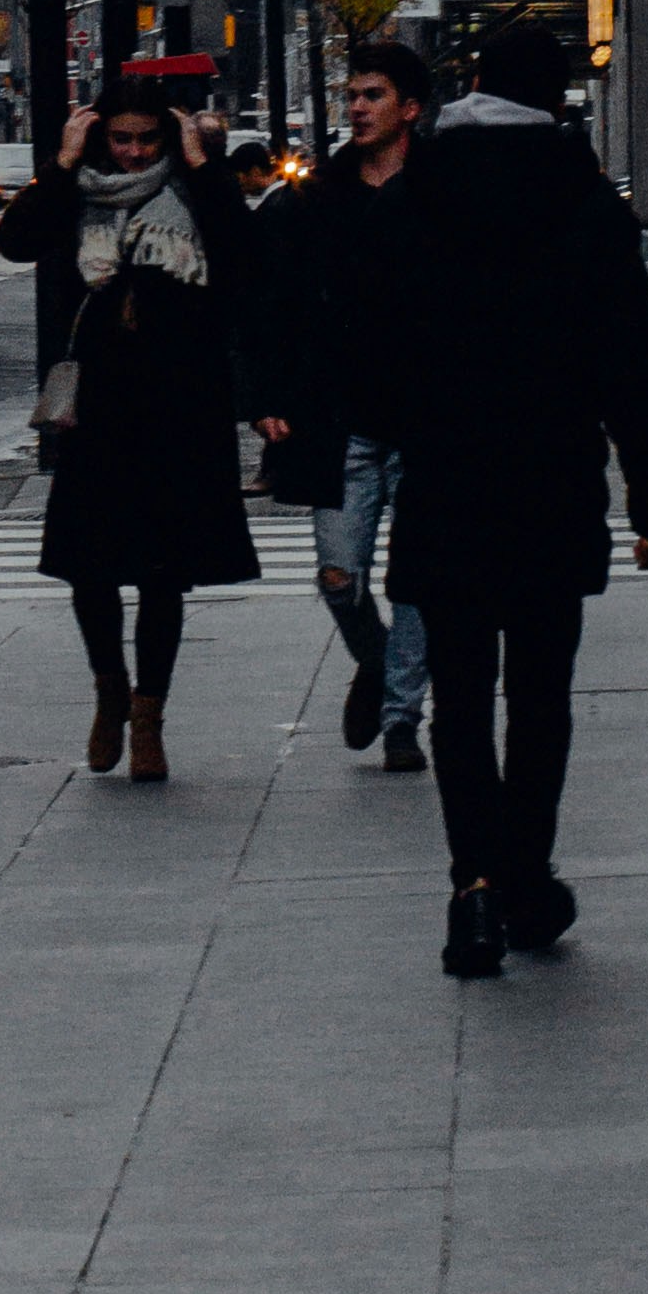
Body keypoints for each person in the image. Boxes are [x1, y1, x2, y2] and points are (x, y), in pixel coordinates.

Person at [393, 19, 648, 978]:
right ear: (555, 96)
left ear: (473, 84)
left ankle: (471, 885)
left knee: (461, 693)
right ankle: (526, 871)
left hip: (446, 473)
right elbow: (627, 363)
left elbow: (371, 330)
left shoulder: (421, 186)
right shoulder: (587, 200)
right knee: (542, 692)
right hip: (551, 475)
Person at [0, 81, 259, 785]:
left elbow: (244, 252)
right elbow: (13, 240)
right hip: (100, 408)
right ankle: (110, 688)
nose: (135, 150)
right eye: (122, 138)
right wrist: (61, 162)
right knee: (91, 568)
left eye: (148, 139)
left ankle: (149, 716)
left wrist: (203, 166)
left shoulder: (196, 193)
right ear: (101, 136)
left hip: (181, 408)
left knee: (164, 575)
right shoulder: (76, 195)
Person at [250, 41, 443, 775]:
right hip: (341, 418)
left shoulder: (441, 192)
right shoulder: (313, 199)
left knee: (416, 578)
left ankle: (401, 720)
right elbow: (269, 302)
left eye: (373, 95)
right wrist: (267, 397)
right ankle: (379, 661)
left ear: (411, 109)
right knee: (339, 575)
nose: (357, 107)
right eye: (352, 94)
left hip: (424, 417)